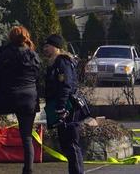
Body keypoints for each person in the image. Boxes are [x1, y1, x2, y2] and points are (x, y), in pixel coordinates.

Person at [0, 25, 41, 173]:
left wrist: (1, 90)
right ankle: (28, 170)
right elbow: (37, 77)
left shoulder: (7, 54)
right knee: (27, 137)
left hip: (9, 97)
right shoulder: (33, 55)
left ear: (11, 38)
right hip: (29, 100)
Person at [42, 34, 85, 174]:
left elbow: (66, 86)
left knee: (71, 143)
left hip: (68, 108)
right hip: (61, 106)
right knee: (66, 144)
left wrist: (61, 107)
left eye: (48, 46)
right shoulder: (55, 63)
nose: (45, 49)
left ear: (56, 47)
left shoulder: (62, 62)